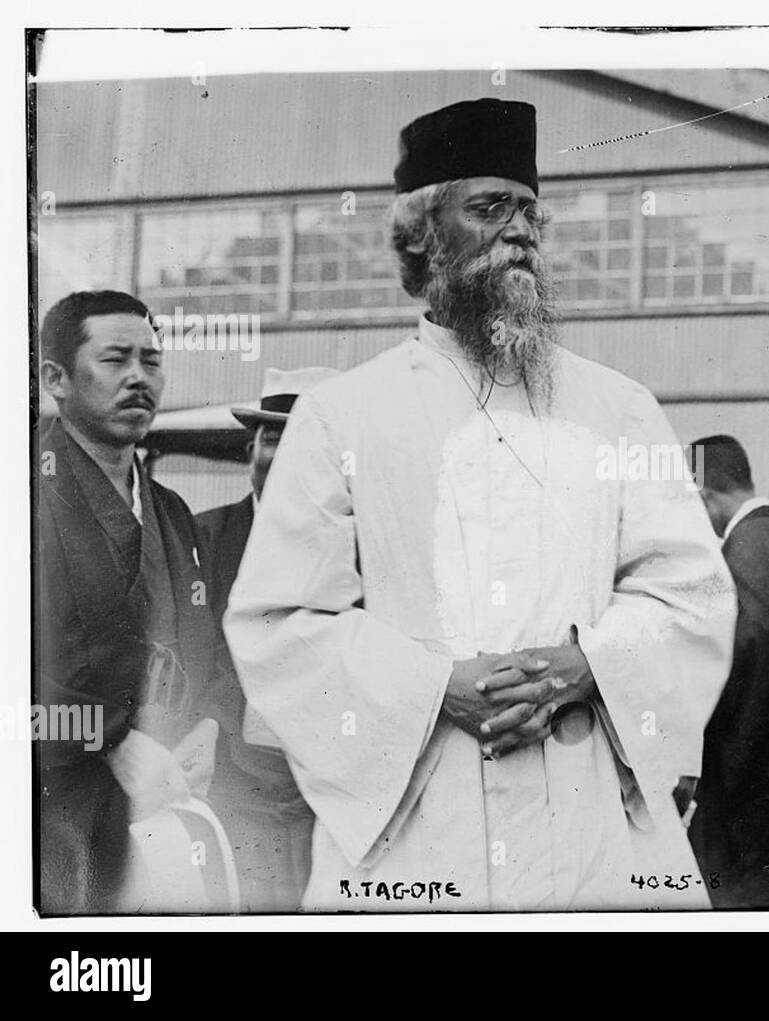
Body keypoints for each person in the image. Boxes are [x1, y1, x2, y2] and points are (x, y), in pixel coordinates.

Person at [223, 98, 735, 911]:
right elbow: (280, 620)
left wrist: (587, 667)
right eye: (491, 207)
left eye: (531, 211)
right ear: (423, 235)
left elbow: (693, 595)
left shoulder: (619, 408)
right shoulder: (341, 417)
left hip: (594, 825)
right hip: (421, 830)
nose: (521, 229)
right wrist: (435, 686)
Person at [37, 290, 236, 913]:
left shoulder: (171, 511)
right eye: (114, 359)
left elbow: (215, 644)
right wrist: (111, 739)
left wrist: (211, 724)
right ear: (55, 378)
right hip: (55, 805)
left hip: (172, 792)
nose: (137, 379)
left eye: (150, 361)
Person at [197, 367, 338, 912]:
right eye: (275, 436)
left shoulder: (364, 554)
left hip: (330, 799)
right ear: (250, 446)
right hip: (232, 789)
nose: (286, 458)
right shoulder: (202, 538)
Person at [686, 434, 769, 908]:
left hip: (741, 794)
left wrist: (704, 777)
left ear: (704, 495)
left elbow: (736, 673)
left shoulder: (738, 555)